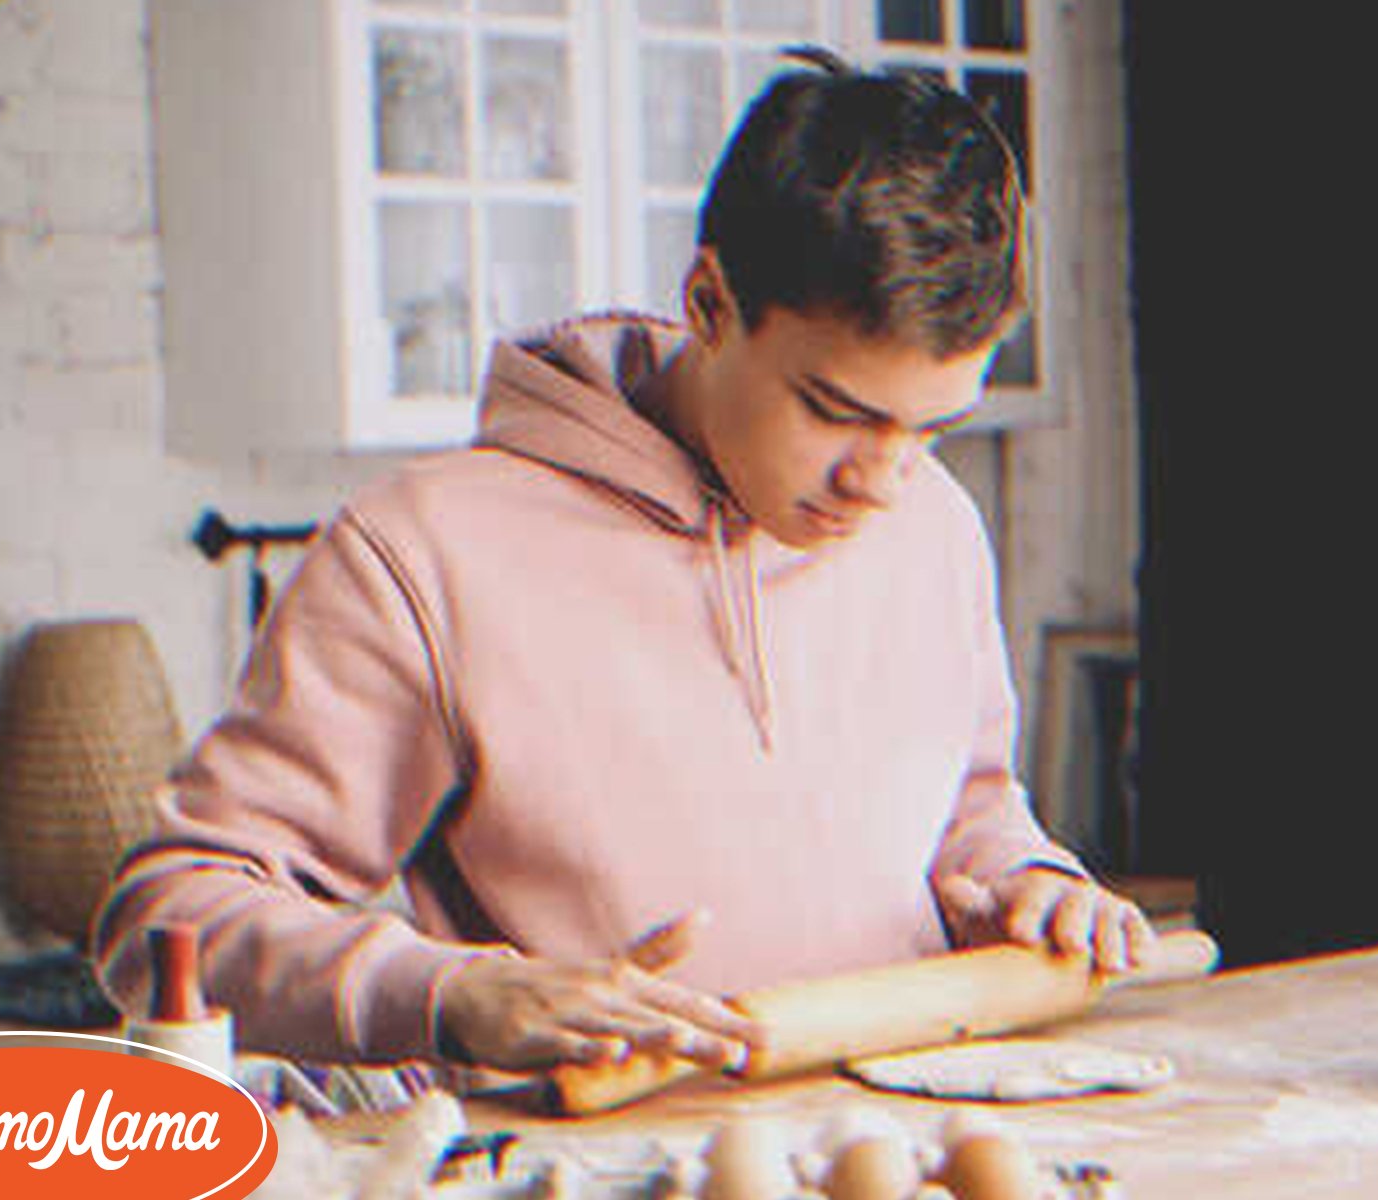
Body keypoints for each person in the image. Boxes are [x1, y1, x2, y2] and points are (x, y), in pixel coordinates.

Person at [92, 48, 1157, 1082]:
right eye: (836, 412)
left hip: (914, 1139)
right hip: (614, 1166)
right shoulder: (421, 555)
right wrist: (452, 995)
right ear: (707, 302)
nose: (881, 482)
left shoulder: (933, 522)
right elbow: (170, 911)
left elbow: (965, 804)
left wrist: (1031, 878)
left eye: (932, 429)